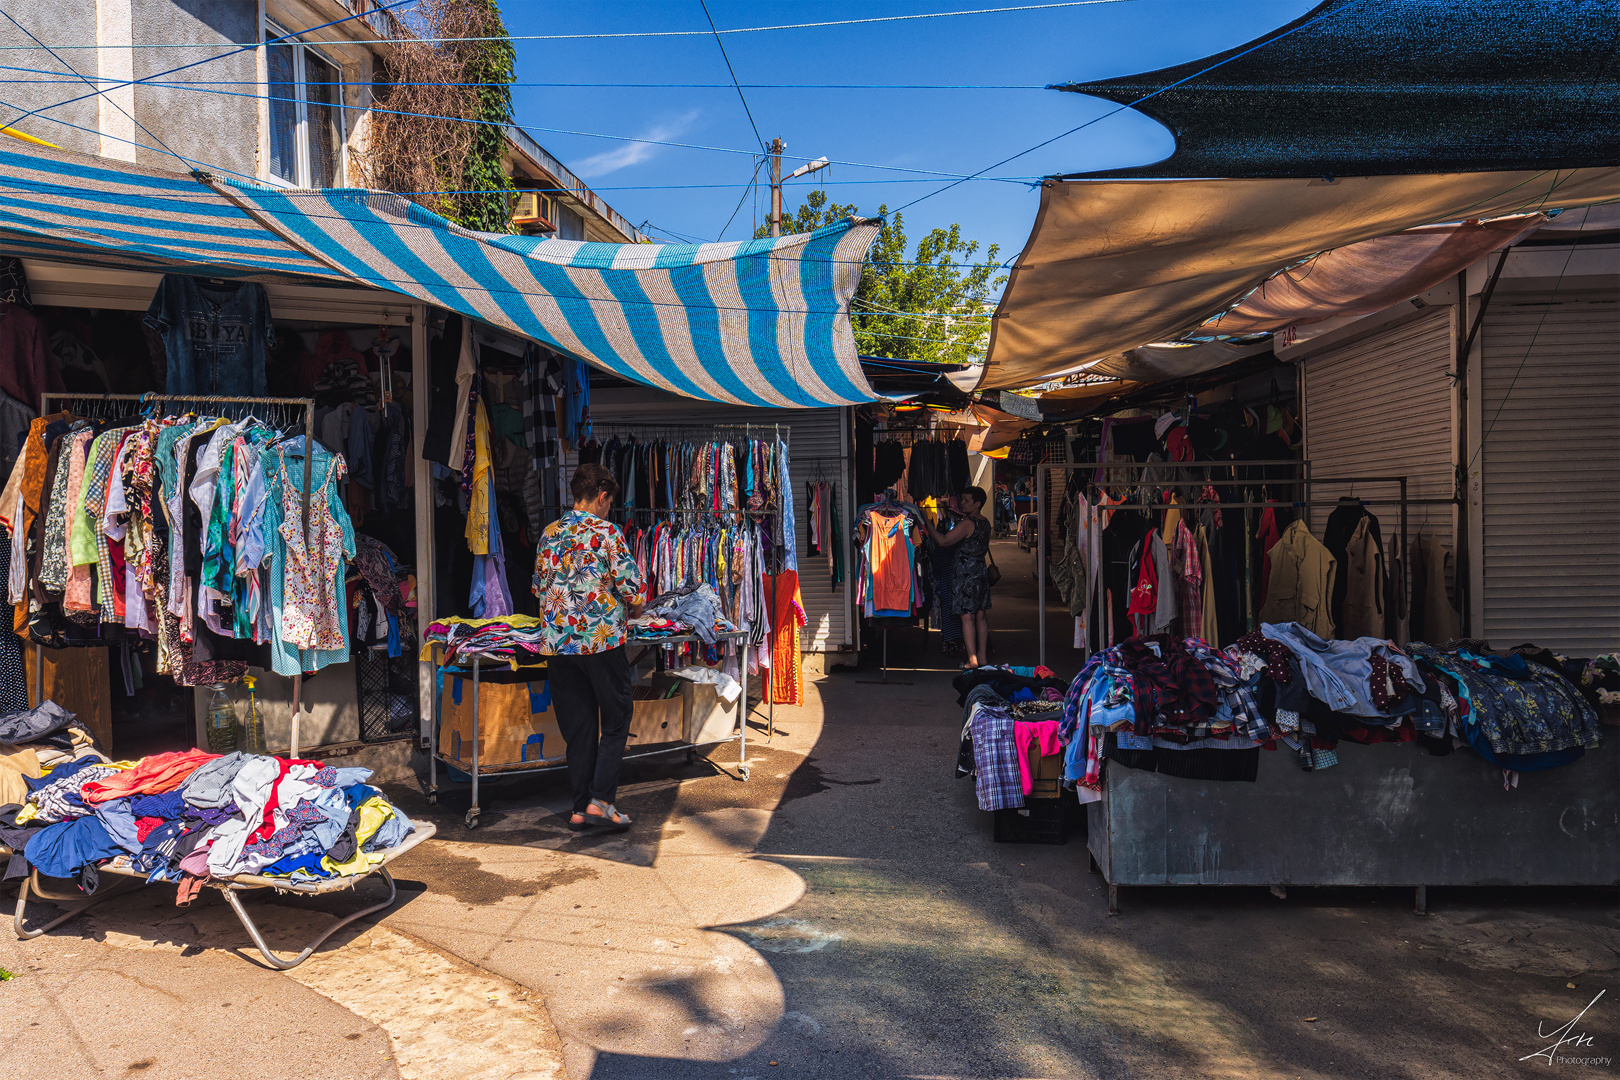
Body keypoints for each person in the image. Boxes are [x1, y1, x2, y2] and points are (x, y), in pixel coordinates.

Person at [533, 462, 644, 832]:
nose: (609, 507)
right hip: (600, 642)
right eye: (609, 501)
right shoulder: (607, 532)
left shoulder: (549, 533)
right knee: (617, 718)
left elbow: (538, 587)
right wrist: (635, 605)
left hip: (557, 645)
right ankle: (601, 802)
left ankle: (580, 808)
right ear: (602, 496)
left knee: (579, 728)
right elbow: (633, 589)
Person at [926, 486, 993, 668]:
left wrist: (927, 524)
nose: (962, 503)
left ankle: (972, 659)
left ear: (977, 504)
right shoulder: (985, 522)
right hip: (980, 571)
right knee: (980, 615)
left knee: (967, 617)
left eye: (966, 500)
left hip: (966, 574)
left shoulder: (967, 524)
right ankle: (982, 657)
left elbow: (943, 541)